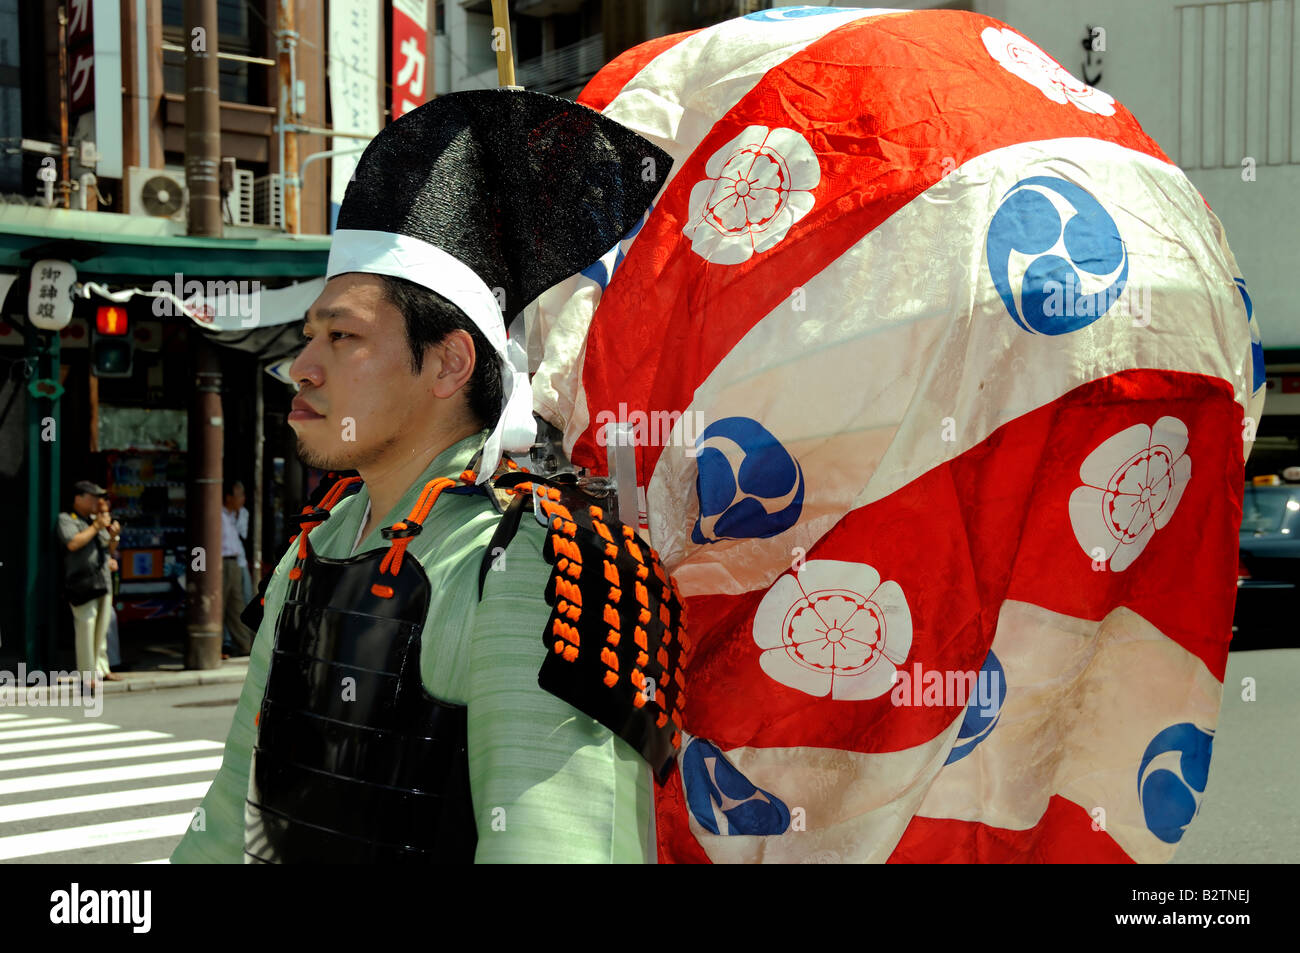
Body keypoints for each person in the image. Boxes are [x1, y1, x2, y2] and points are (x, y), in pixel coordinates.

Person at [171, 89, 682, 864]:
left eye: (343, 336)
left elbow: (555, 848)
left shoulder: (529, 567)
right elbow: (227, 818)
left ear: (448, 362)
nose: (303, 369)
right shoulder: (316, 546)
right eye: (310, 336)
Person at [57, 481, 123, 690]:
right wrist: (96, 527)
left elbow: (108, 545)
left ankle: (101, 669)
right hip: (82, 583)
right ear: (79, 498)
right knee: (86, 627)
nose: (97, 502)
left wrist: (113, 535)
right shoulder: (67, 519)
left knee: (101, 629)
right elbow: (73, 543)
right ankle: (87, 675)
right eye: (93, 497)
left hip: (102, 581)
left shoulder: (93, 521)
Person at [220, 480, 255, 657]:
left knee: (237, 605)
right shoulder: (217, 515)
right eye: (239, 495)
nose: (242, 499)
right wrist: (201, 567)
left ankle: (245, 646)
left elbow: (243, 534)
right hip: (221, 563)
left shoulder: (235, 515)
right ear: (228, 498)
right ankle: (218, 646)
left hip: (234, 562)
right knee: (220, 606)